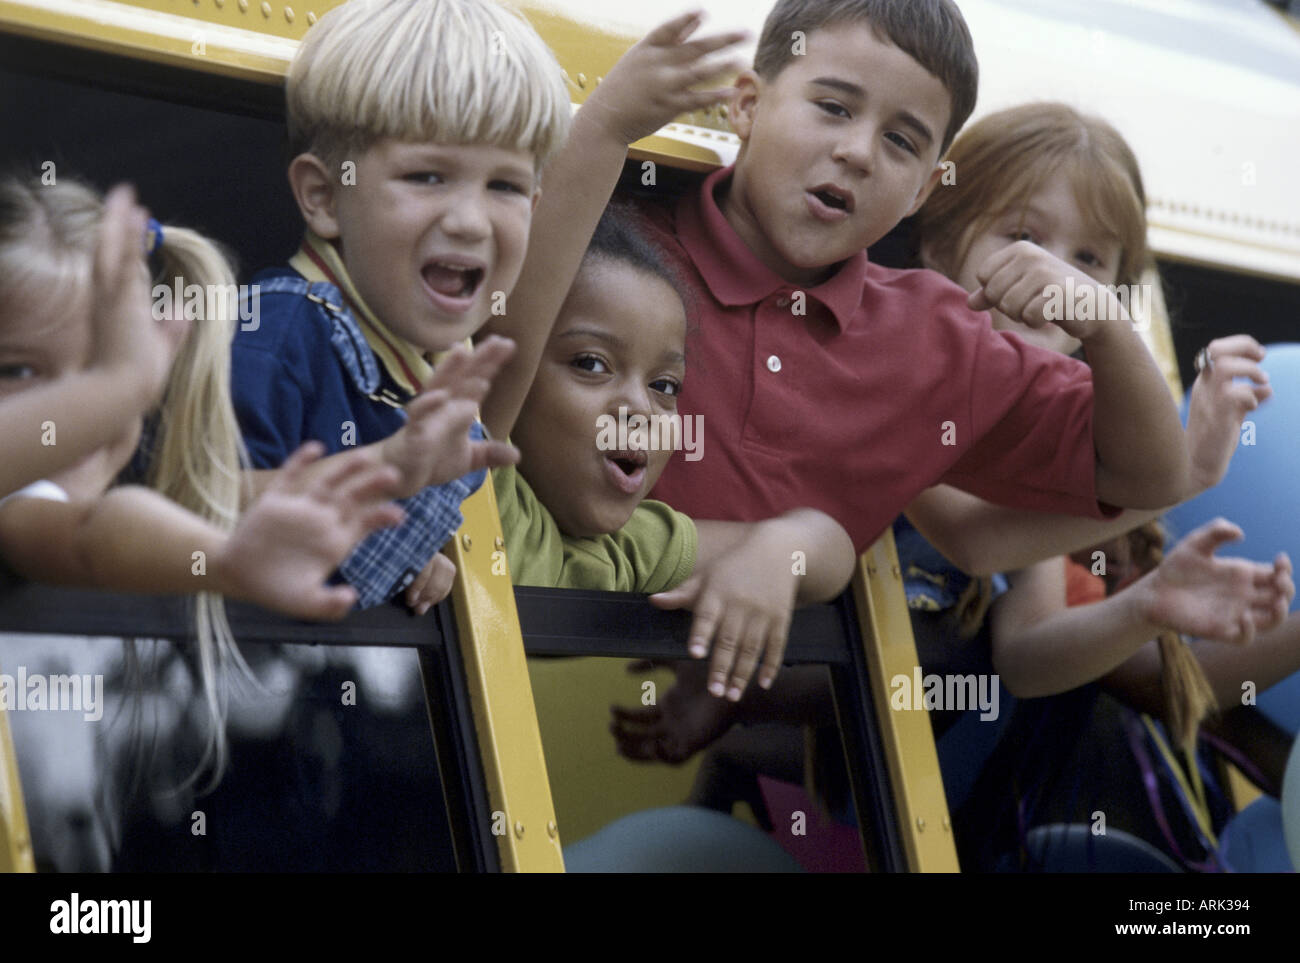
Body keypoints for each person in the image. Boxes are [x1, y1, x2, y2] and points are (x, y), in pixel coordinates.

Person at [0, 175, 408, 783]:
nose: (80, 416)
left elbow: (185, 504)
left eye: (96, 370)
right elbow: (92, 536)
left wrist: (403, 476)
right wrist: (120, 386)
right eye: (20, 369)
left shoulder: (78, 511)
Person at [230, 0, 569, 613]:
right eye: (427, 177)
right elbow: (196, 516)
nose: (469, 221)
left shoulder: (439, 379)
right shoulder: (277, 334)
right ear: (325, 197)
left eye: (505, 186)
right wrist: (387, 476)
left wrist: (411, 554)